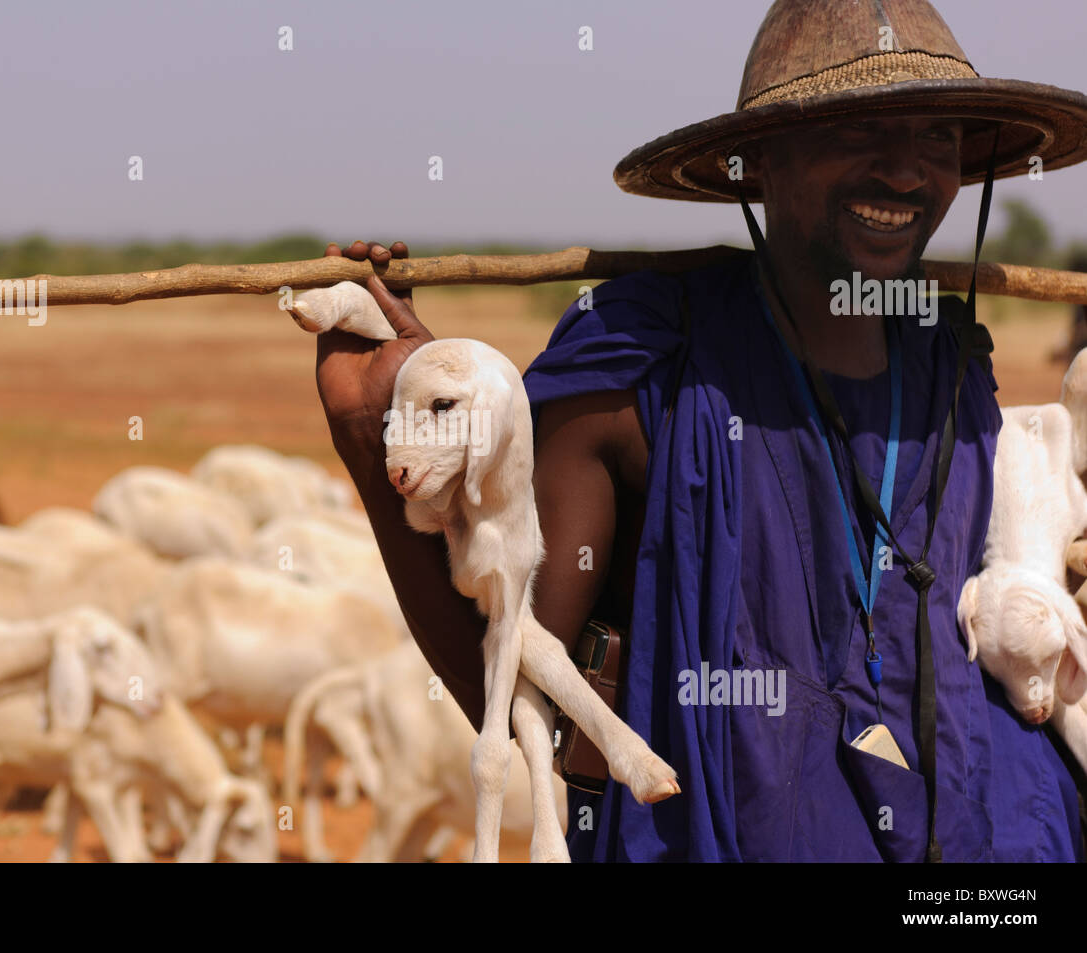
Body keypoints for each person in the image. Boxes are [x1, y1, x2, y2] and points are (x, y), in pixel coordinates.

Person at [313, 0, 1087, 861]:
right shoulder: (640, 371)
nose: (905, 173)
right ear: (758, 160)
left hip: (966, 846)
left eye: (936, 136)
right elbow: (513, 689)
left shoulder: (954, 378)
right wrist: (381, 429)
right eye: (858, 132)